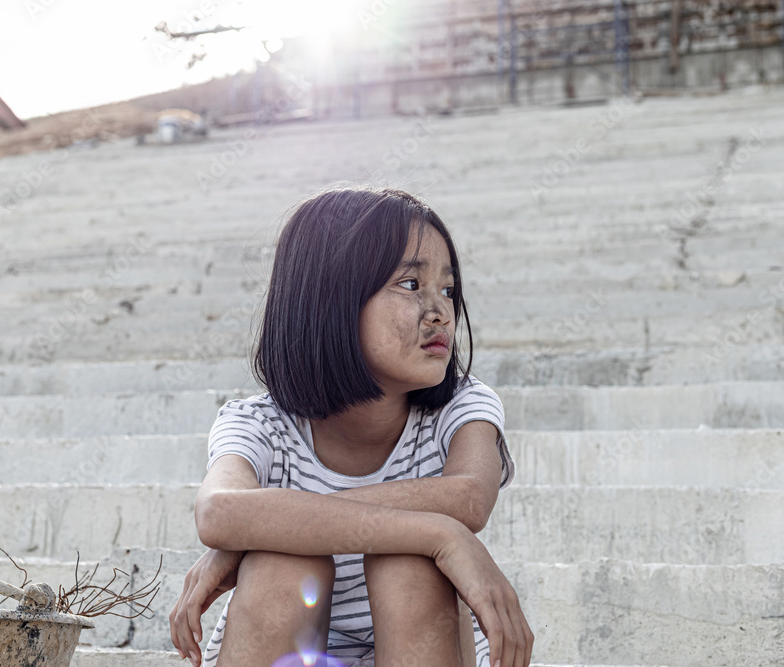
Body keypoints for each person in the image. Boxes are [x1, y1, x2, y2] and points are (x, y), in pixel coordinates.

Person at [169, 187, 533, 667]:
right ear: (329, 299)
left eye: (448, 289)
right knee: (282, 563)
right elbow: (218, 512)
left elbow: (468, 497)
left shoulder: (461, 407)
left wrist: (266, 526)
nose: (441, 310)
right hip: (285, 651)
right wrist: (440, 534)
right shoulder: (259, 423)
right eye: (410, 285)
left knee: (406, 566)